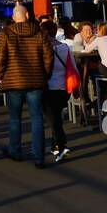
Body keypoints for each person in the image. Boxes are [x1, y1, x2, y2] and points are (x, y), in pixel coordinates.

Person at [0, 2, 51, 168]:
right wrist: (45, 74)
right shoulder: (39, 32)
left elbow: (0, 58)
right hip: (36, 80)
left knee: (15, 118)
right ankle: (39, 156)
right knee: (36, 118)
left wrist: (0, 76)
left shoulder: (6, 33)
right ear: (27, 16)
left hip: (14, 80)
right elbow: (48, 57)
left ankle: (15, 150)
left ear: (13, 18)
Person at [41, 20, 74, 162]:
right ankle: (55, 145)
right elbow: (72, 67)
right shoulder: (65, 47)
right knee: (56, 115)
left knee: (52, 118)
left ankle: (62, 144)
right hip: (63, 87)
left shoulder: (42, 49)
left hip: (48, 87)